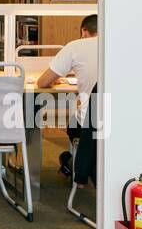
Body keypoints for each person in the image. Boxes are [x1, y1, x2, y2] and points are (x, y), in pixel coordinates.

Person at [35, 14, 98, 181]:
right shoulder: (119, 45)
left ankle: (72, 162)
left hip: (90, 121)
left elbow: (43, 81)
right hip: (120, 120)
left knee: (73, 126)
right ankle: (81, 164)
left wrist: (54, 82)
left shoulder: (75, 46)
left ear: (84, 31)